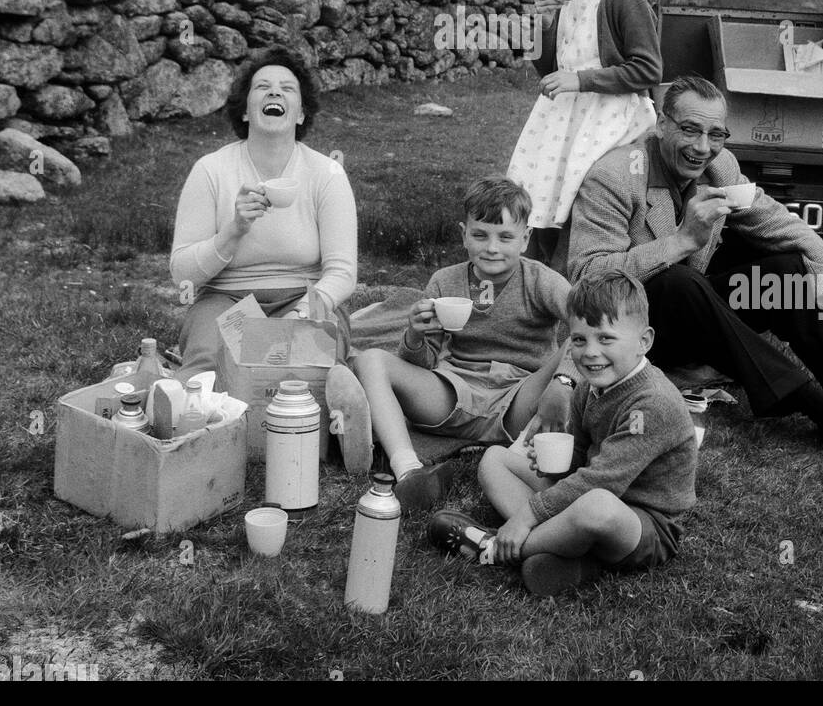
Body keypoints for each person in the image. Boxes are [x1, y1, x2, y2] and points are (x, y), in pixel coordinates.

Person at [565, 74, 823, 467]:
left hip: (699, 324)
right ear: (662, 124)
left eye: (716, 134)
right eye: (690, 129)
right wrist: (679, 242)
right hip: (633, 337)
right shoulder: (615, 175)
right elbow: (587, 279)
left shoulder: (721, 167)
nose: (702, 147)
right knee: (678, 281)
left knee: (786, 271)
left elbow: (793, 234)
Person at [428, 270, 697, 597]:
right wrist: (553, 463)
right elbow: (581, 460)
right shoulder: (589, 387)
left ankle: (494, 547)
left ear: (644, 342)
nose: (590, 352)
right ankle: (565, 554)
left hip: (643, 525)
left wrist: (526, 517)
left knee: (597, 505)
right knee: (495, 458)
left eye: (606, 338)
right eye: (580, 340)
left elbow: (601, 480)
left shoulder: (653, 403)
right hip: (591, 495)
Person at [170, 45, 371, 472]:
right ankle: (201, 445)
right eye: (261, 86)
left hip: (301, 295)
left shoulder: (326, 174)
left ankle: (336, 427)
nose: (272, 92)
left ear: (300, 113)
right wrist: (233, 231)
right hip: (226, 299)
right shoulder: (211, 170)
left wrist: (307, 307)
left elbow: (342, 271)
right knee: (210, 357)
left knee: (308, 350)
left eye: (285, 88)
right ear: (245, 111)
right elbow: (183, 274)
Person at [352, 178, 575, 511]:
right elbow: (422, 363)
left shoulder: (541, 280)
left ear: (526, 238)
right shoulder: (444, 280)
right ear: (463, 234)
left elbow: (589, 322)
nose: (492, 248)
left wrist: (563, 382)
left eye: (506, 237)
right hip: (455, 391)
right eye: (480, 235)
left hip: (520, 400)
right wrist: (415, 334)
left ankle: (521, 452)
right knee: (370, 360)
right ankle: (409, 471)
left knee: (578, 342)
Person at [507, 0, 661, 270]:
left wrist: (581, 79)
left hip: (607, 116)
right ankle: (533, 283)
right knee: (536, 201)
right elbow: (548, 69)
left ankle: (575, 281)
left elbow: (648, 69)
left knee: (581, 202)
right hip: (561, 119)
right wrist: (541, 24)